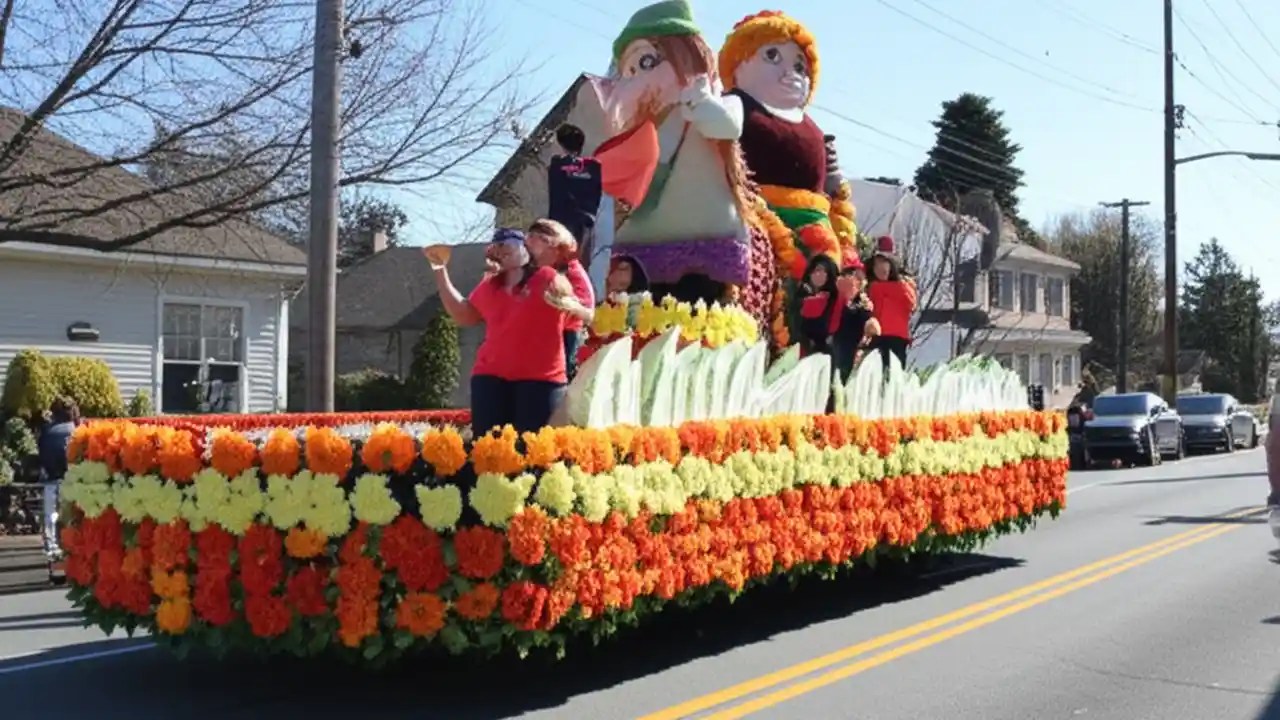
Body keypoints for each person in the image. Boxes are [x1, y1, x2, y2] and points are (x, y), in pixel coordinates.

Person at [425, 228, 585, 436]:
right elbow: (465, 315)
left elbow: (579, 311)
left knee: (534, 451)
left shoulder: (548, 278)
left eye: (506, 243)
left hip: (541, 380)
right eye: (496, 245)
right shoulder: (490, 286)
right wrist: (440, 271)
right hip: (490, 378)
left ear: (526, 249)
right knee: (488, 449)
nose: (500, 249)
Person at [525, 218, 595, 380]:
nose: (532, 241)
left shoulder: (571, 270)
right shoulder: (531, 270)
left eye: (542, 238)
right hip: (539, 332)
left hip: (566, 332)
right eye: (532, 236)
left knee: (561, 375)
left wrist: (565, 304)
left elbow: (587, 308)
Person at [865, 236, 917, 373]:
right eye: (877, 263)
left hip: (896, 339)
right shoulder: (869, 286)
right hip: (875, 338)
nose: (881, 268)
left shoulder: (904, 285)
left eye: (885, 262)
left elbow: (912, 304)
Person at [38, 397, 79, 560]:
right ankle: (69, 546)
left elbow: (41, 451)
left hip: (50, 477)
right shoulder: (74, 429)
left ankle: (51, 546)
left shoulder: (47, 431)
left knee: (50, 515)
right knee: (69, 515)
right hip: (69, 477)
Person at [831, 257, 879, 384]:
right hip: (835, 343)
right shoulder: (835, 297)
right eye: (850, 274)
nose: (853, 280)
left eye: (857, 277)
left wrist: (870, 324)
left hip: (852, 347)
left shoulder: (863, 302)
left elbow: (866, 318)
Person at [796, 254, 844, 357]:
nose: (818, 274)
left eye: (822, 271)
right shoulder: (801, 293)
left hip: (824, 354)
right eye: (815, 270)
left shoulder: (833, 298)